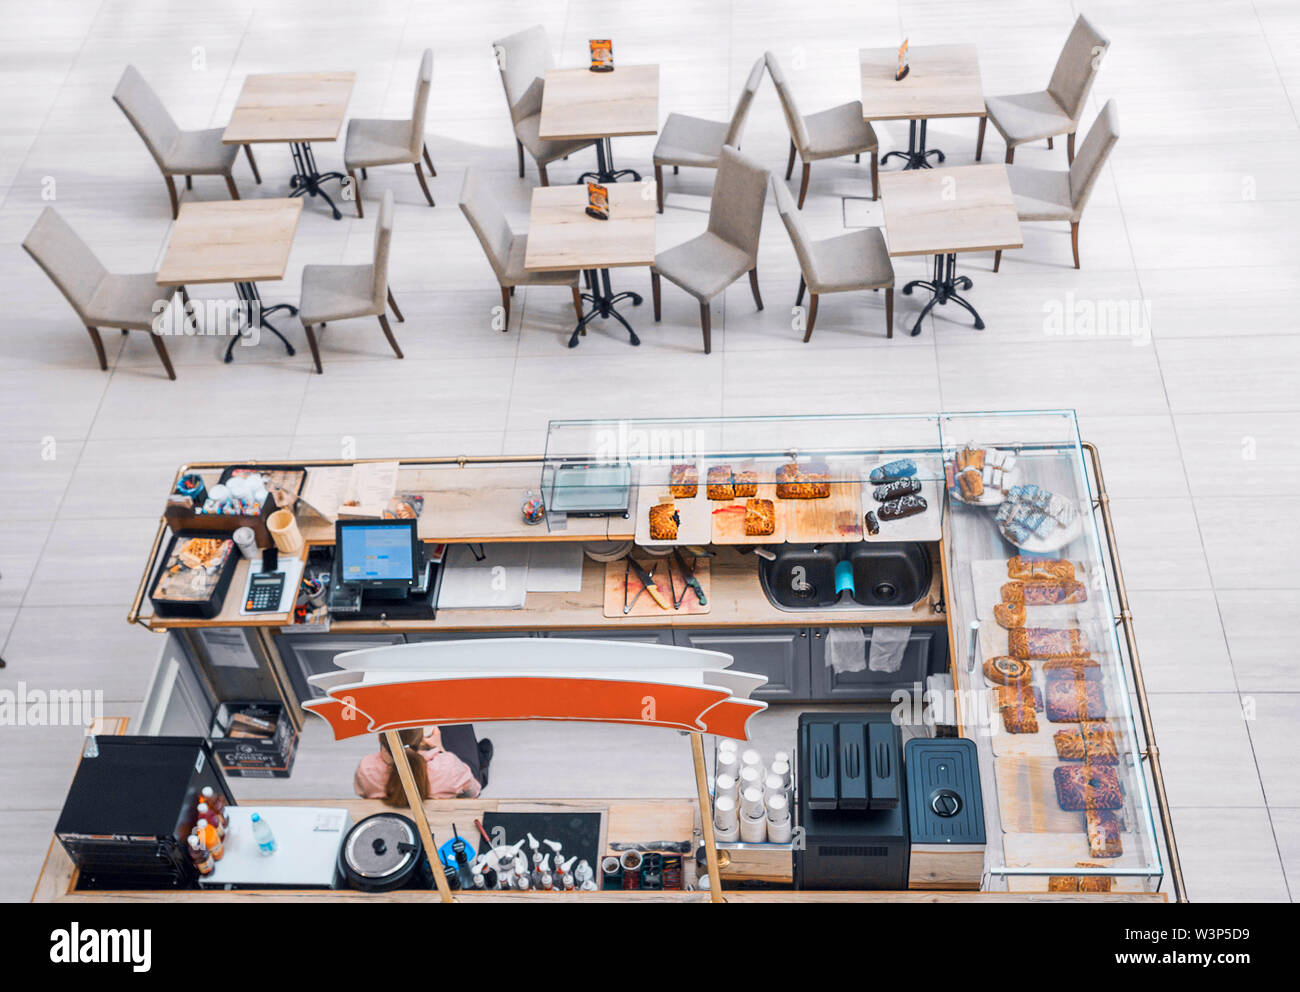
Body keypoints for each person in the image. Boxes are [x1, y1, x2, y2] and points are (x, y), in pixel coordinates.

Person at [354, 725, 494, 805]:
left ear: (380, 737)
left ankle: (480, 757)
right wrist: (441, 750)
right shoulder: (449, 765)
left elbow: (363, 793)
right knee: (459, 728)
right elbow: (473, 793)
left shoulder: (367, 768)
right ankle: (481, 762)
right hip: (447, 814)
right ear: (422, 740)